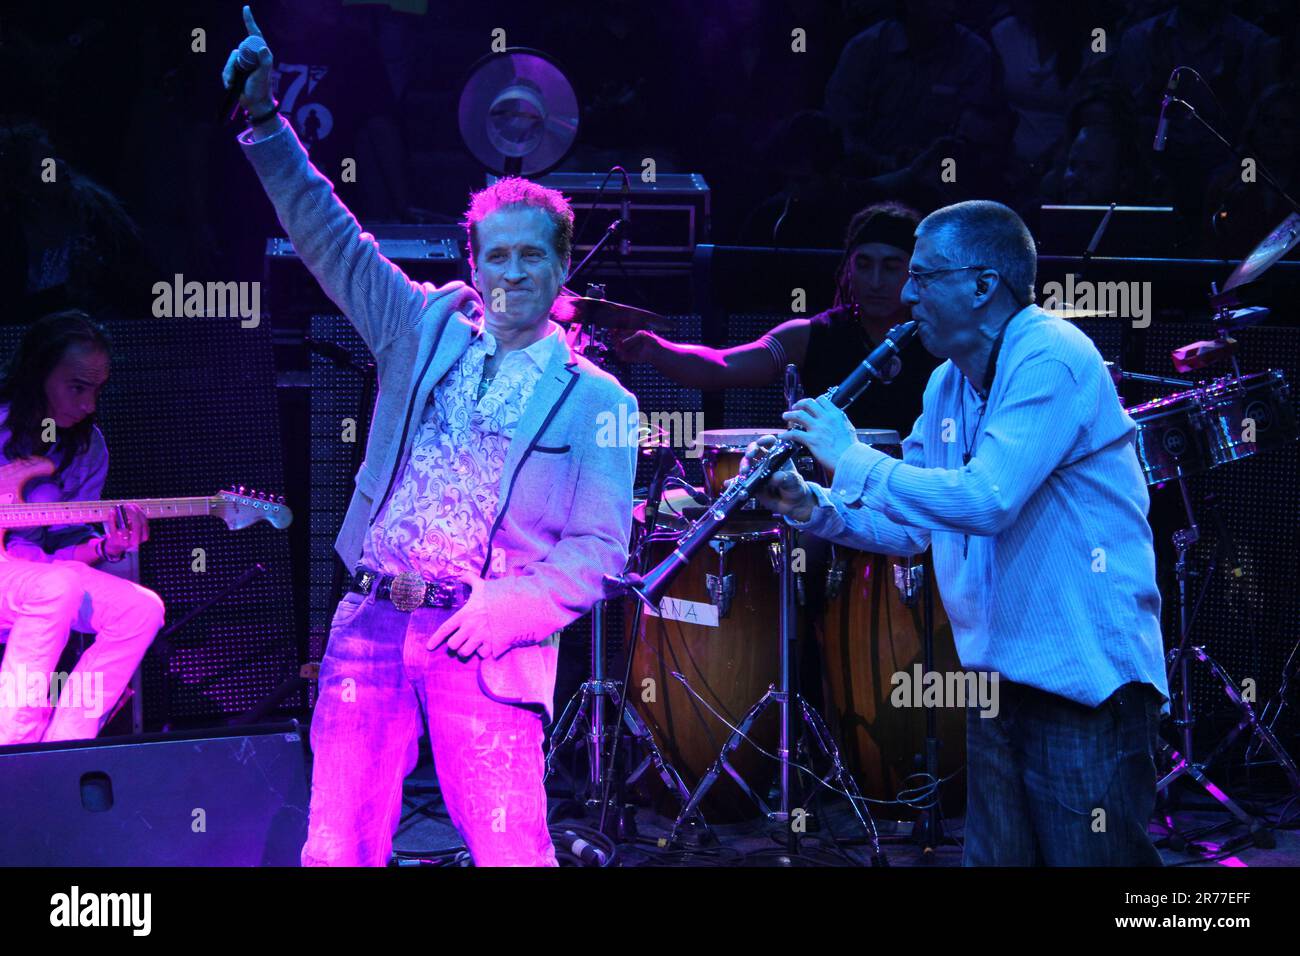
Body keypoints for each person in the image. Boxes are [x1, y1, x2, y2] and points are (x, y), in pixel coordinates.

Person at [225, 7, 636, 867]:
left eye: (533, 257)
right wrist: (267, 122)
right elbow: (328, 235)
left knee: (510, 851)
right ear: (474, 262)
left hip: (482, 640)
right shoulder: (421, 325)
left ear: (562, 266)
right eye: (498, 257)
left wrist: (506, 610)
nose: (514, 273)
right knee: (336, 846)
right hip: (371, 617)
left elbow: (598, 549)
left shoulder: (600, 400)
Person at [739, 200, 1170, 866]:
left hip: (1085, 684)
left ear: (981, 285)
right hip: (999, 682)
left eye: (924, 276)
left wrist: (849, 455)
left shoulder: (1051, 355)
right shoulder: (946, 383)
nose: (906, 294)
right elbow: (914, 524)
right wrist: (807, 503)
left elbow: (988, 499)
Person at [616, 201, 938, 438]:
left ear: (916, 270)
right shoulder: (812, 336)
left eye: (892, 266)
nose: (876, 280)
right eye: (864, 264)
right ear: (848, 269)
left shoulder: (940, 337)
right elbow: (720, 366)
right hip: (828, 501)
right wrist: (653, 347)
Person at [0, 311, 163, 746]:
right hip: (27, 580)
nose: (89, 404)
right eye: (77, 387)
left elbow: (66, 542)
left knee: (141, 609)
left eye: (96, 390)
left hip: (37, 577)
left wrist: (109, 546)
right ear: (39, 373)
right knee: (55, 587)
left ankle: (66, 743)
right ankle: (14, 745)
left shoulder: (89, 449)